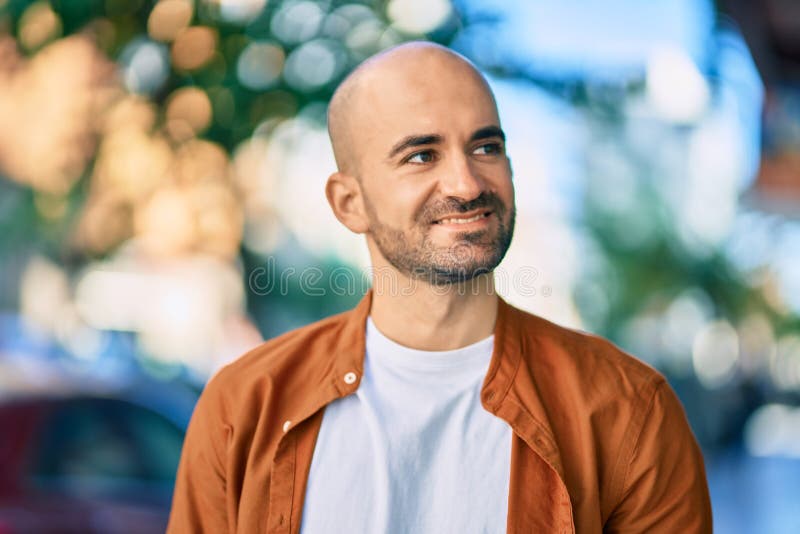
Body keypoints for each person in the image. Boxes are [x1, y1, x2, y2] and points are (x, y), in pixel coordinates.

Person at [167, 42, 712, 534]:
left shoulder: (628, 411)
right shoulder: (244, 407)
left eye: (485, 148)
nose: (467, 184)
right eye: (421, 155)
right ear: (348, 203)